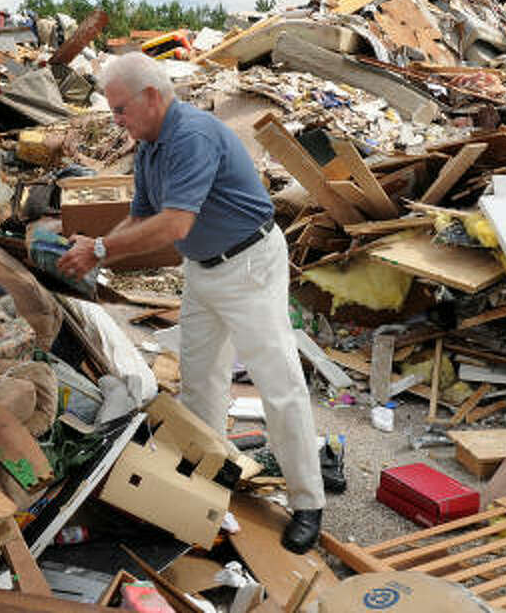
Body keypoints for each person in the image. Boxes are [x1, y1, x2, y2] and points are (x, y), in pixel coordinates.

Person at [59, 53, 325, 553]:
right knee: (201, 383)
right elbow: (139, 219)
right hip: (203, 269)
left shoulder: (191, 137)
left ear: (152, 97)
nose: (116, 120)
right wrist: (96, 255)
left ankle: (308, 503)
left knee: (279, 383)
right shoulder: (149, 147)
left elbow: (175, 224)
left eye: (120, 109)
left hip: (249, 264)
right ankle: (206, 492)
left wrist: (98, 250)